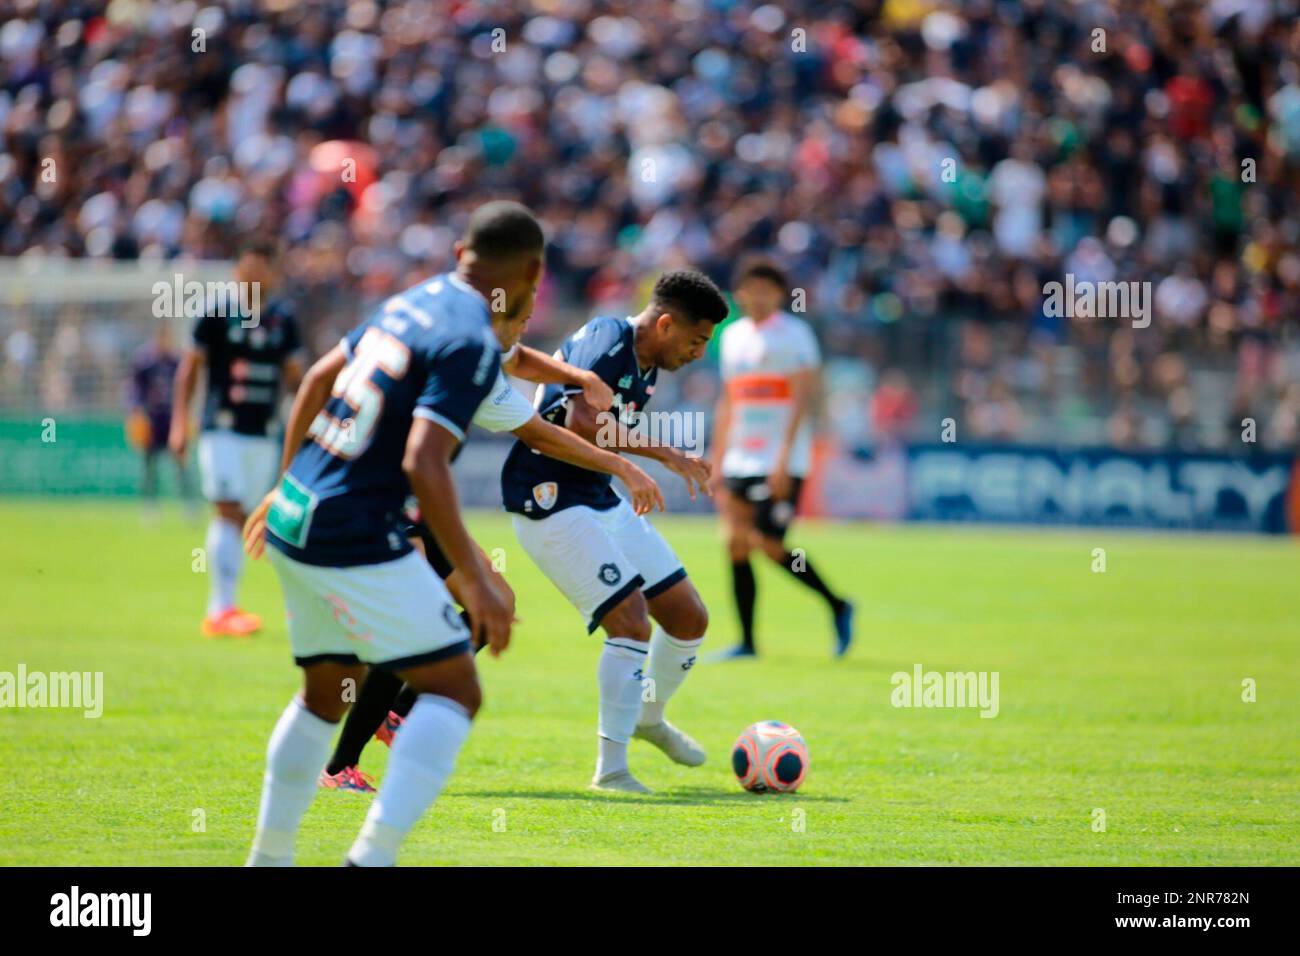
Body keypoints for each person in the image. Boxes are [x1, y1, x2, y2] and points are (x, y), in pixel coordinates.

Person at [240, 200, 540, 866]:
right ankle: (369, 858)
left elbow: (319, 377)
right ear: (533, 272)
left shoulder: (411, 301)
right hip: (356, 524)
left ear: (462, 251)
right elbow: (423, 461)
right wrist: (480, 577)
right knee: (456, 689)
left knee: (325, 694)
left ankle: (269, 856)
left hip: (297, 513)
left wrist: (286, 481)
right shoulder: (472, 344)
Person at [319, 341, 667, 793]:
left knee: (496, 602)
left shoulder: (484, 374)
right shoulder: (449, 356)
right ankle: (338, 767)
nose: (523, 331)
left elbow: (529, 388)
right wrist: (620, 459)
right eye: (518, 319)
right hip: (379, 500)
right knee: (415, 627)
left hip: (421, 504)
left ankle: (398, 713)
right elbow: (533, 414)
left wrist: (583, 381)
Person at [502, 270, 726, 793]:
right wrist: (660, 454)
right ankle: (612, 770)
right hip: (548, 498)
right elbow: (580, 424)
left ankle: (649, 717)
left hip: (596, 495)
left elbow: (600, 430)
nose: (698, 353)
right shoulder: (608, 339)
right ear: (666, 324)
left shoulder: (646, 361)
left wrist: (645, 460)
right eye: (696, 340)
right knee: (630, 622)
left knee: (688, 617)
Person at [709, 256, 853, 660]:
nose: (757, 297)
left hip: (781, 458)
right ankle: (747, 642)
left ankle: (837, 604)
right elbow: (729, 400)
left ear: (779, 294)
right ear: (739, 294)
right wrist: (717, 457)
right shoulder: (733, 336)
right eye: (750, 289)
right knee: (736, 543)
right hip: (739, 456)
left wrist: (785, 457)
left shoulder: (795, 335)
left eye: (765, 289)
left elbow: (804, 398)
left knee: (771, 546)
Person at [169, 241, 303, 637]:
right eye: (249, 267)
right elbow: (189, 370)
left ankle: (247, 607)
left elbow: (297, 378)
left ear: (274, 274)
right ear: (237, 271)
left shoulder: (283, 319)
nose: (255, 276)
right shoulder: (214, 313)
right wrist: (180, 421)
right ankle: (220, 610)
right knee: (227, 509)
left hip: (263, 433)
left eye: (263, 268)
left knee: (247, 515)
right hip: (220, 429)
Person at [128, 323, 194, 517]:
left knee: (181, 464)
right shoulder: (144, 363)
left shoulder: (176, 363)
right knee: (150, 465)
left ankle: (189, 505)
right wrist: (137, 413)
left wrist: (185, 416)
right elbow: (135, 391)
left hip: (172, 420)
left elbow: (185, 390)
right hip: (152, 420)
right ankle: (149, 506)